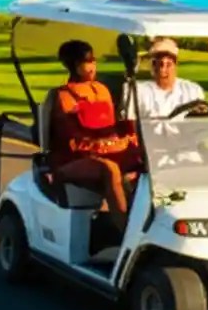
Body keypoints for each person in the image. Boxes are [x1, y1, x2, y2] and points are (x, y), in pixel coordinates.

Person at [45, 40, 140, 233]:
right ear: (73, 65)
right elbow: (74, 142)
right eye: (86, 62)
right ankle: (128, 234)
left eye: (93, 61)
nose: (92, 66)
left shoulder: (101, 90)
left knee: (145, 163)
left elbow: (110, 128)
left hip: (104, 152)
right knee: (110, 169)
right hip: (72, 161)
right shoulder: (63, 97)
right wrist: (106, 146)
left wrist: (125, 140)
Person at [134, 38, 206, 119]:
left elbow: (201, 123)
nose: (163, 69)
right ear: (153, 65)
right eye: (159, 63)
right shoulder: (139, 91)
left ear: (175, 64)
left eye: (168, 64)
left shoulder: (193, 90)